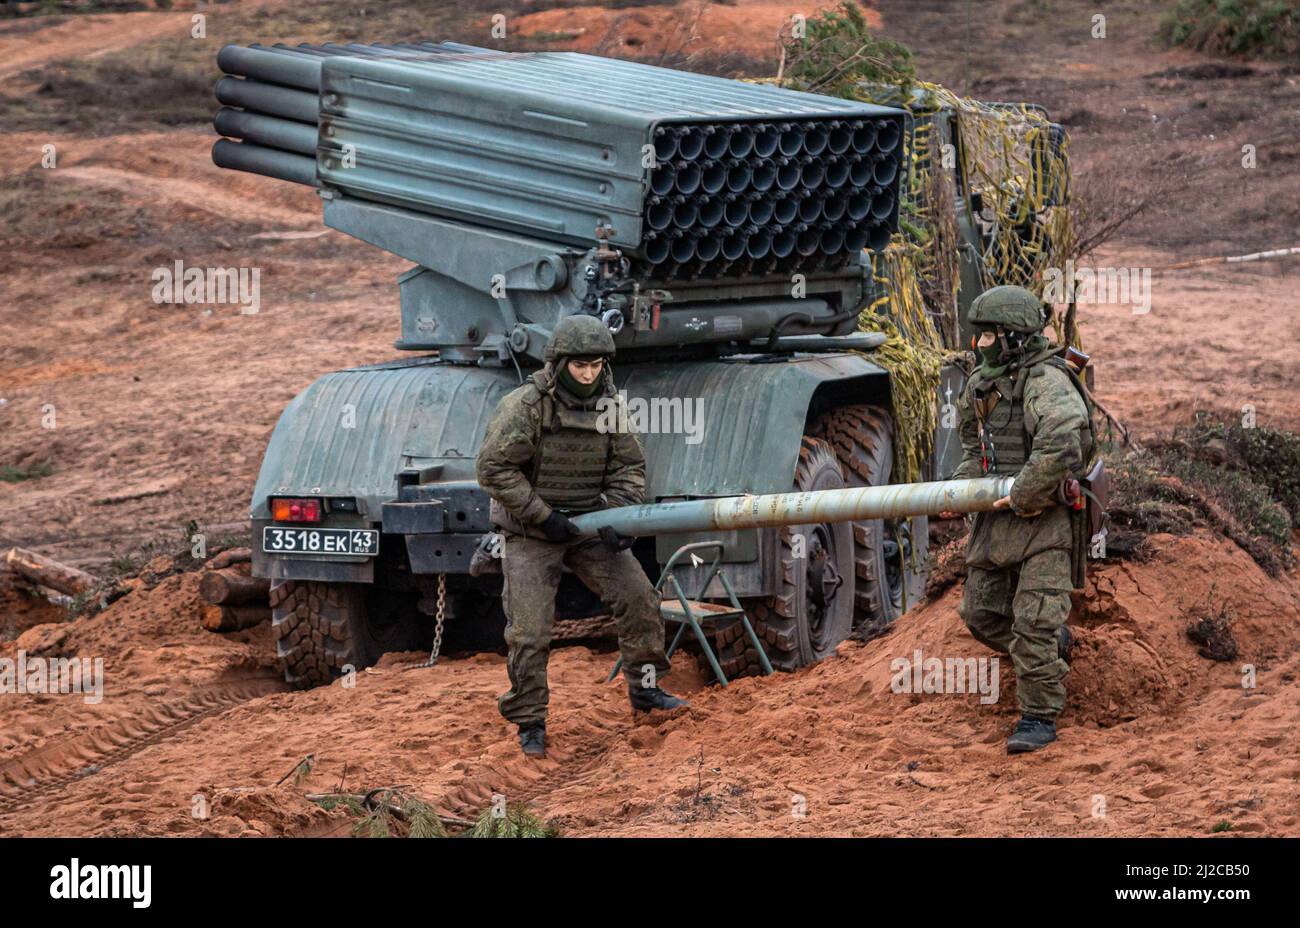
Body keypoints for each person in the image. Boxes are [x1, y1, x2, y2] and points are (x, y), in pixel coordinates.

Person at [476, 314, 687, 759]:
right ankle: (530, 720)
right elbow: (493, 469)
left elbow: (629, 468)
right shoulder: (527, 406)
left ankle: (646, 691)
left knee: (640, 599)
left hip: (588, 528)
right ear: (559, 363)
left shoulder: (612, 408)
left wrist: (616, 516)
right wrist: (541, 514)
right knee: (530, 632)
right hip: (531, 531)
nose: (589, 375)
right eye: (580, 367)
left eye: (595, 366)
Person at [941, 285, 1094, 754]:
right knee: (981, 613)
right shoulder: (980, 385)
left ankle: (1039, 715)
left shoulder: (1045, 380)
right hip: (999, 519)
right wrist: (964, 491)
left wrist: (1025, 493)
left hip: (1046, 519)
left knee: (1031, 621)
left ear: (1012, 338)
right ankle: (1049, 645)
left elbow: (1065, 439)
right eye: (978, 336)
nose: (979, 345)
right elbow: (974, 450)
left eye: (988, 336)